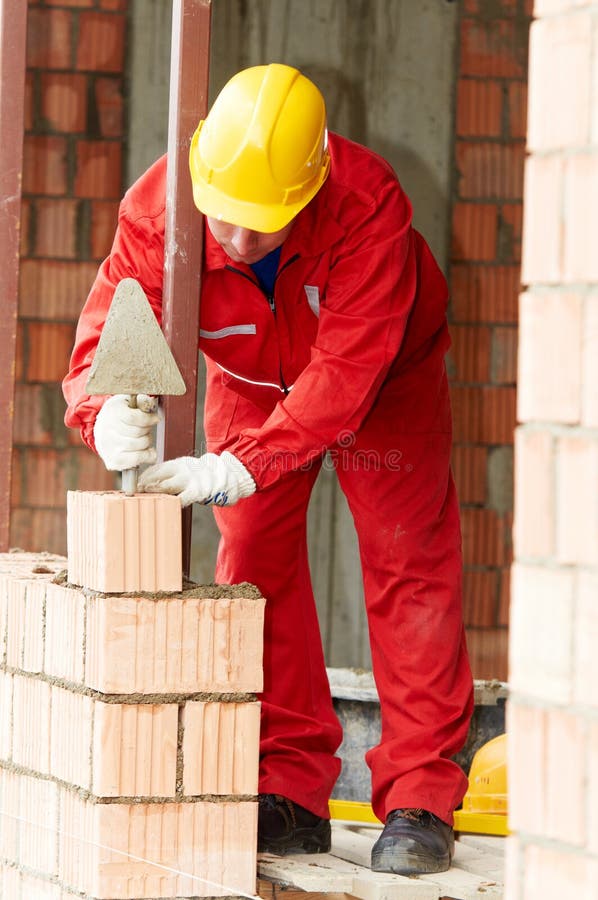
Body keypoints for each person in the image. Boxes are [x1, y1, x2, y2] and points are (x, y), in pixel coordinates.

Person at [63, 63, 473, 876]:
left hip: (386, 379)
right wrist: (102, 413)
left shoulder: (369, 206)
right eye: (225, 220)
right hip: (250, 387)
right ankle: (288, 789)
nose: (238, 242)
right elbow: (103, 341)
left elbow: (345, 374)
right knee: (252, 563)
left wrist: (242, 465)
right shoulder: (158, 209)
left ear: (312, 187)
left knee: (407, 558)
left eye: (264, 224)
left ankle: (421, 795)